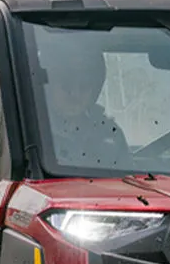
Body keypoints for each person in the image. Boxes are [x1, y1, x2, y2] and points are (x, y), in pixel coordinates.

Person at [40, 38, 131, 168]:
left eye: (84, 85)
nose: (75, 93)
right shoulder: (33, 131)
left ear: (95, 88)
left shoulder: (110, 133)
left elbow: (127, 177)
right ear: (49, 86)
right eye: (66, 84)